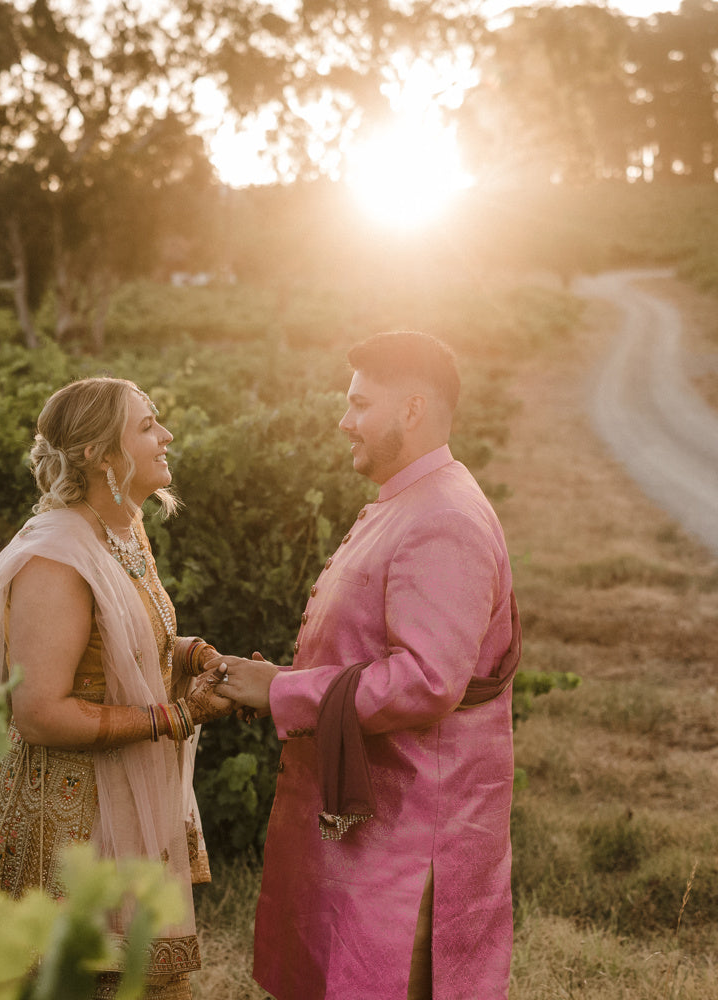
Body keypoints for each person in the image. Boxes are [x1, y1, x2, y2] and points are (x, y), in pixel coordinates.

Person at [213, 331, 522, 1000]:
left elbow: (427, 681)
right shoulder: (412, 497)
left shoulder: (443, 517)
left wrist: (283, 693)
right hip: (375, 823)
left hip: (410, 832)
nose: (342, 421)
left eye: (359, 404)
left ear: (411, 409)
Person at [0, 376, 233, 1000]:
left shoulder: (123, 532)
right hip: (67, 822)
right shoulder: (57, 559)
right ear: (99, 455)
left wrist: (188, 653)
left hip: (120, 803)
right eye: (147, 426)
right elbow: (36, 713)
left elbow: (126, 642)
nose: (166, 435)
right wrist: (174, 717)